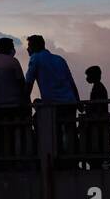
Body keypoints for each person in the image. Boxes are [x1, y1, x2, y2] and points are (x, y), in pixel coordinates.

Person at [24, 35, 81, 163]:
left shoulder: (35, 59)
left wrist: (24, 103)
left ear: (34, 47)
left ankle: (57, 159)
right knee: (70, 131)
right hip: (69, 102)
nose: (27, 49)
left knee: (53, 131)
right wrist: (78, 101)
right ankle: (73, 160)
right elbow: (71, 83)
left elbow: (28, 83)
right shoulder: (59, 59)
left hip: (53, 104)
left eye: (29, 46)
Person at [82, 65, 110, 168]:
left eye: (88, 76)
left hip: (97, 124)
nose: (87, 78)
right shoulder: (99, 87)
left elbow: (98, 107)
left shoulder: (98, 88)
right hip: (99, 123)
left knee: (95, 150)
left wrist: (88, 109)